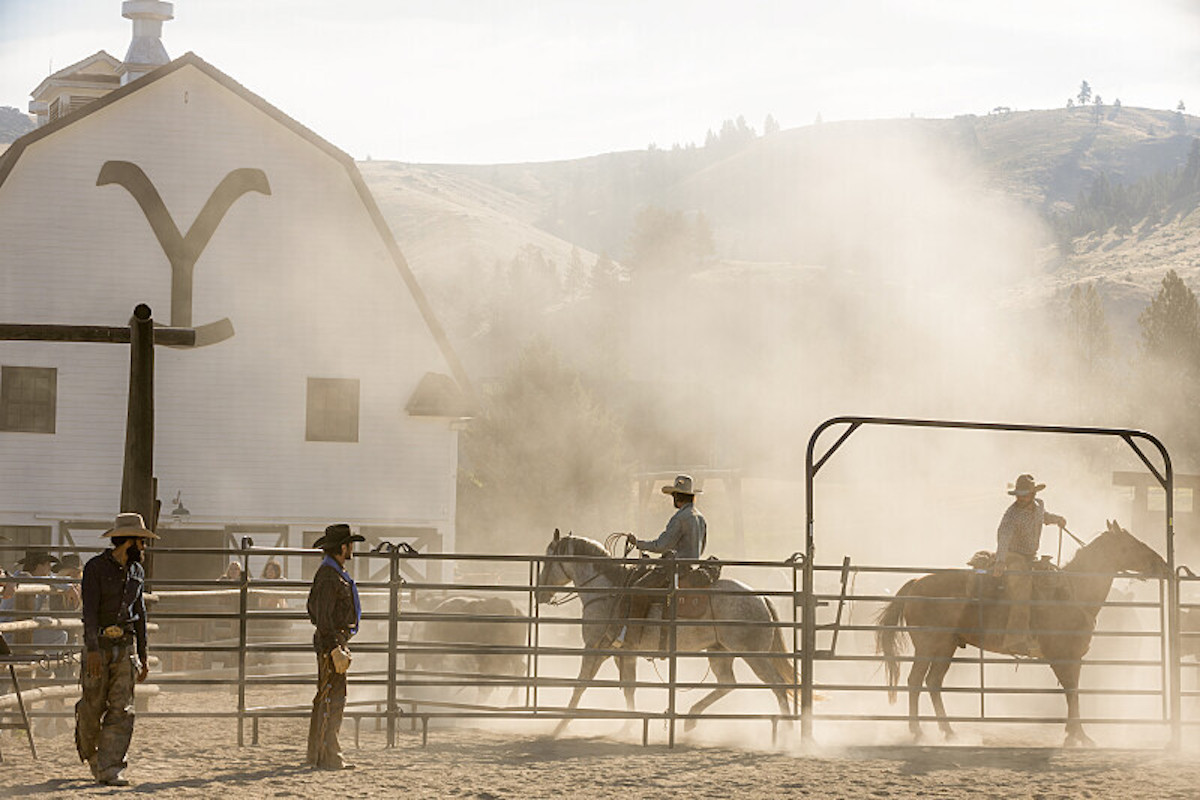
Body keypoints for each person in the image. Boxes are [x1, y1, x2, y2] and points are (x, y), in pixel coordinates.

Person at [75, 512, 159, 787]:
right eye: (141, 542)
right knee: (91, 706)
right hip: (98, 646)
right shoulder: (95, 568)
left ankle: (110, 766)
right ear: (129, 542)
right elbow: (89, 611)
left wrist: (143, 655)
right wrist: (93, 648)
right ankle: (91, 754)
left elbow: (141, 613)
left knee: (122, 708)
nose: (144, 547)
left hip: (125, 645)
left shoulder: (137, 572)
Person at [613, 474, 708, 649]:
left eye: (673, 495)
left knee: (637, 590)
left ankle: (631, 639)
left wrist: (638, 543)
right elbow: (701, 548)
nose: (673, 499)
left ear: (678, 497)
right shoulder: (699, 517)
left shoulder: (680, 518)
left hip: (674, 569)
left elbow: (662, 545)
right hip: (689, 567)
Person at [305, 523, 363, 770]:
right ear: (343, 547)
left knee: (329, 696)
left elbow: (315, 611)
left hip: (334, 640)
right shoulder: (330, 576)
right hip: (332, 642)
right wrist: (333, 647)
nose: (352, 549)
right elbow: (321, 615)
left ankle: (321, 754)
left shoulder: (331, 573)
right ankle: (328, 756)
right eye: (350, 544)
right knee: (333, 697)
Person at [994, 474, 1066, 657]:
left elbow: (1044, 517)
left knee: (1051, 579)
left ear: (1033, 494)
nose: (1020, 498)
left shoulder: (1039, 505)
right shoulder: (1012, 514)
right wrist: (1001, 561)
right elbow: (1003, 537)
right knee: (1022, 588)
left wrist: (1057, 519)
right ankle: (1015, 639)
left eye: (1024, 494)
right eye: (1018, 494)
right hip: (1013, 556)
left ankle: (1043, 631)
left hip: (1030, 556)